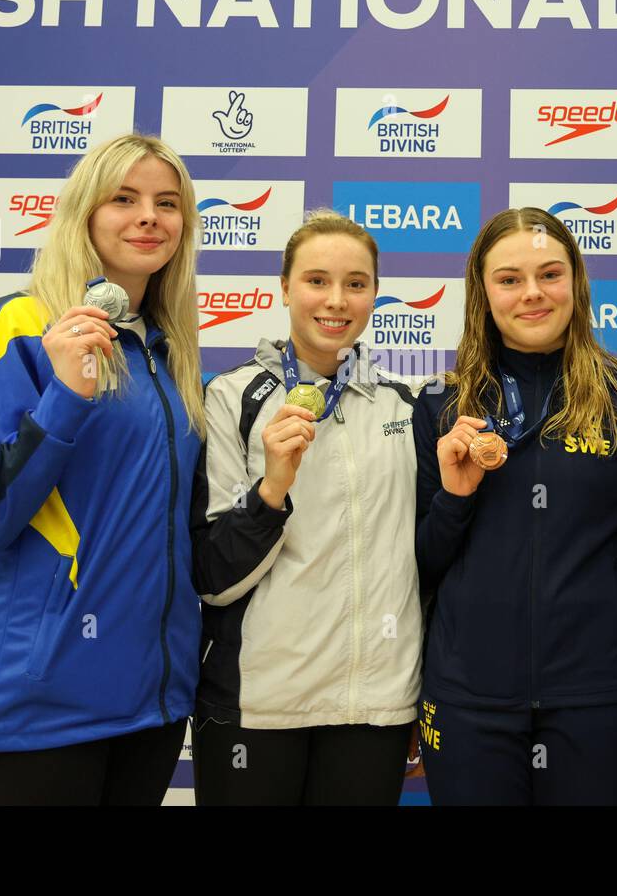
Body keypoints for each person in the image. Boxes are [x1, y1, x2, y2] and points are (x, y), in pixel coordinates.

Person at [0, 133, 206, 805]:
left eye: (167, 203)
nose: (149, 216)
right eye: (125, 198)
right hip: (37, 709)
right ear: (84, 211)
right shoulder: (22, 323)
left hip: (150, 711)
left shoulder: (163, 352)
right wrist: (67, 395)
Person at [412, 207, 617, 805]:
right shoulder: (440, 406)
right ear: (482, 293)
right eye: (509, 279)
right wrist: (456, 496)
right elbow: (420, 566)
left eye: (550, 274)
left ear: (577, 283)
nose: (532, 293)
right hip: (468, 699)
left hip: (599, 698)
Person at [190, 210, 421, 805]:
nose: (336, 300)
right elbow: (212, 579)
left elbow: (425, 555)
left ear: (375, 293)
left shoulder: (404, 405)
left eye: (356, 283)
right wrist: (271, 492)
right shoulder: (231, 397)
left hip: (374, 707)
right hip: (258, 706)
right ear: (285, 287)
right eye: (316, 280)